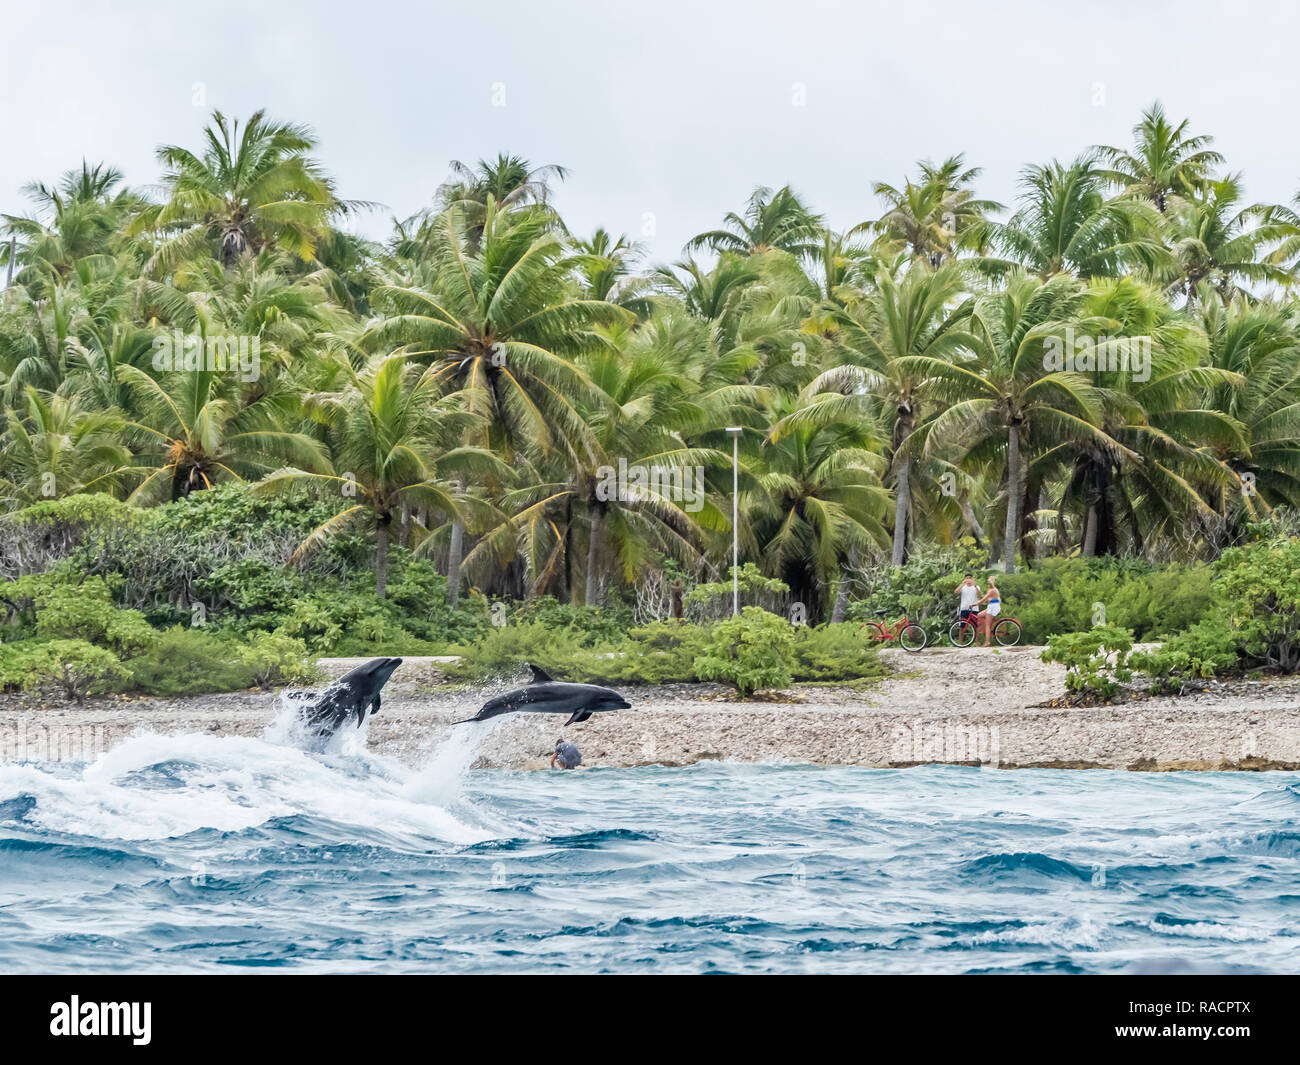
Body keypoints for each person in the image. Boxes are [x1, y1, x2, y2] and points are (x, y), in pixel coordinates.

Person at [977, 575, 1001, 647]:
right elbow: (987, 600)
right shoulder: (993, 590)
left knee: (987, 625)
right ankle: (985, 628)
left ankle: (987, 642)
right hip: (992, 606)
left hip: (992, 608)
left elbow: (984, 599)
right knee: (979, 615)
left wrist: (976, 604)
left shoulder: (992, 590)